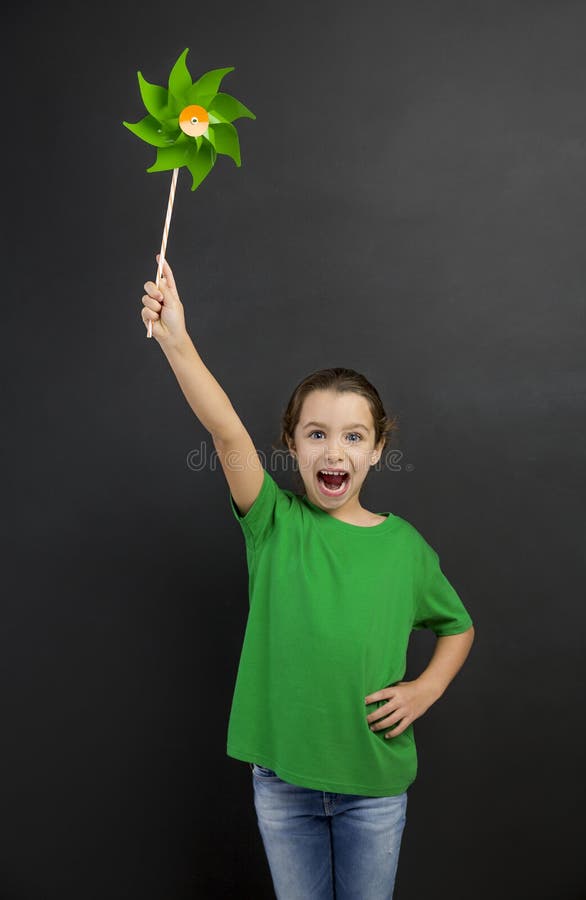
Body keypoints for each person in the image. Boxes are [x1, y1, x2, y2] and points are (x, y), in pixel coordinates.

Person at [141, 258, 476, 900]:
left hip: (374, 789)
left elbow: (458, 628)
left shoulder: (404, 547)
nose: (333, 451)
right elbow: (223, 426)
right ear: (291, 446)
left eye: (353, 437)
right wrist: (176, 340)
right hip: (284, 785)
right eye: (316, 434)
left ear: (377, 449)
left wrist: (425, 689)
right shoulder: (274, 523)